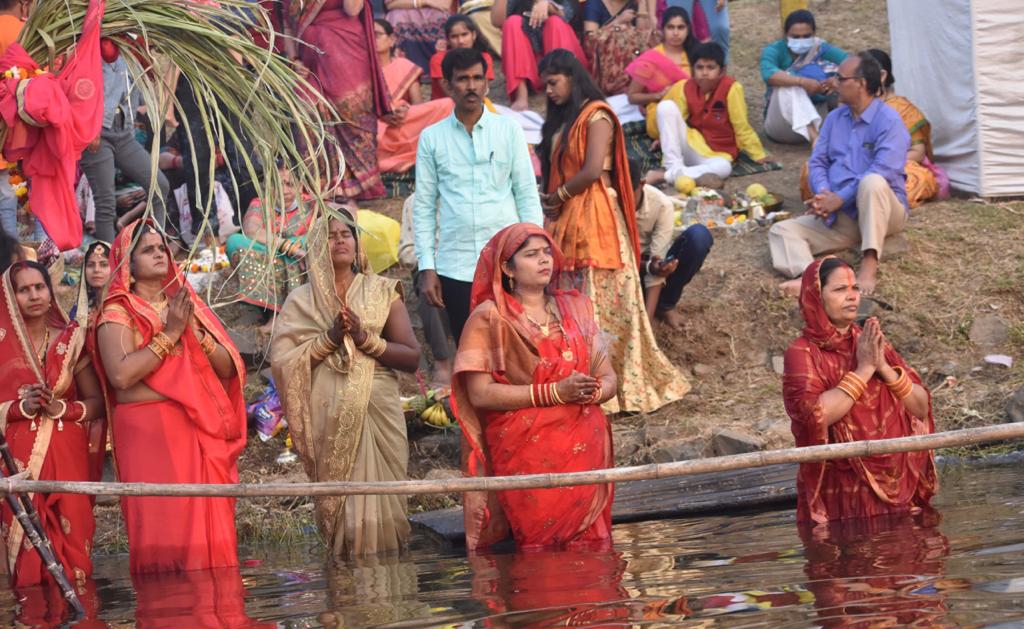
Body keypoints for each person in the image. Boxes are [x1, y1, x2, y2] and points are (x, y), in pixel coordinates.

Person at [537, 50, 689, 413]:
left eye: (554, 82)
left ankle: (617, 385)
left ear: (572, 78)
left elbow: (591, 170)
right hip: (567, 213)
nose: (548, 90)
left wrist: (556, 196)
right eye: (545, 84)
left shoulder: (597, 114)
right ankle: (579, 381)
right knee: (572, 296)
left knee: (602, 298)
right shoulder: (564, 119)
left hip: (595, 212)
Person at [453, 223, 617, 551]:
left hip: (586, 447)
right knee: (541, 552)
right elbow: (480, 393)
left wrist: (591, 392)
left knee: (595, 549)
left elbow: (608, 376)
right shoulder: (489, 318)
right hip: (526, 451)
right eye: (531, 255)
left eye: (546, 253)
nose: (544, 260)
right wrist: (554, 393)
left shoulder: (578, 307)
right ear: (506, 268)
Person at [96, 220, 246, 573]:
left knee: (207, 535)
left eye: (162, 248)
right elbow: (121, 375)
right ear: (127, 265)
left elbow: (228, 369)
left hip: (195, 430)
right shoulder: (117, 311)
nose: (159, 253)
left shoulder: (184, 302)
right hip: (150, 438)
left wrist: (195, 332)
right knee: (166, 532)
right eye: (148, 250)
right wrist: (172, 333)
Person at [271, 212, 421, 556]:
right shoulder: (301, 301)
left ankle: (392, 595)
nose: (340, 240)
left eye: (347, 233)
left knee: (387, 504)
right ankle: (346, 591)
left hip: (378, 409)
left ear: (357, 243)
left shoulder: (383, 291)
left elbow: (411, 357)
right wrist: (330, 339)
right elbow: (284, 364)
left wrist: (363, 337)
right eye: (330, 235)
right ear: (315, 247)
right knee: (344, 517)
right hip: (329, 413)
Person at [782, 256, 937, 523]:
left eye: (854, 288)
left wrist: (884, 369)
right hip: (843, 490)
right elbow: (814, 416)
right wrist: (864, 370)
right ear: (815, 296)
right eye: (840, 290)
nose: (852, 296)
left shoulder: (869, 340)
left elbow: (921, 406)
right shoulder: (802, 352)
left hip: (898, 479)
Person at [413, 48, 542, 344]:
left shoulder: (508, 129)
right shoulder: (431, 138)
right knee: (470, 350)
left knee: (517, 348)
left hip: (508, 261)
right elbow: (423, 206)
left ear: (486, 83)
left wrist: (534, 251)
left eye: (477, 78)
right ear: (447, 85)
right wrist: (427, 268)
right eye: (462, 79)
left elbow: (526, 194)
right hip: (455, 266)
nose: (471, 86)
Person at [770, 52, 910, 297]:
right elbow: (818, 161)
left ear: (862, 83)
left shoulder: (889, 121)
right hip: (841, 216)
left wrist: (840, 197)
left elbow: (884, 170)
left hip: (883, 211)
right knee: (782, 231)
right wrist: (825, 195)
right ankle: (810, 280)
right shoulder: (835, 118)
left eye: (840, 78)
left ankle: (868, 263)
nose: (834, 82)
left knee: (872, 182)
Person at [0, 261, 105, 586]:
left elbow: (97, 403)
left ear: (50, 290)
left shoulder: (71, 340)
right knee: (26, 556)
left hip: (67, 455)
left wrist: (63, 408)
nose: (34, 295)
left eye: (39, 287)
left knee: (74, 555)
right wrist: (19, 408)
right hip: (15, 462)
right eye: (24, 289)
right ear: (8, 297)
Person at [283, 0, 391, 200]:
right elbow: (286, 24)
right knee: (307, 111)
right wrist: (294, 60)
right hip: (306, 58)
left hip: (345, 51)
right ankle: (324, 187)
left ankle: (361, 185)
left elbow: (352, 9)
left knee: (352, 115)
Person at [646, 42, 770, 188]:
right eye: (700, 68)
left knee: (724, 168)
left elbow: (741, 126)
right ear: (692, 70)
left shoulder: (732, 89)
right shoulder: (684, 87)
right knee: (666, 106)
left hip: (718, 154)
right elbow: (674, 119)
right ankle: (673, 167)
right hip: (692, 146)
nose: (704, 73)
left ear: (722, 71)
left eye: (710, 68)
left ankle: (664, 176)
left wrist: (758, 154)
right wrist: (664, 135)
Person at [79, 56, 170, 243]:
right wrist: (90, 126)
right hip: (97, 133)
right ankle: (111, 265)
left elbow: (143, 97)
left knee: (160, 186)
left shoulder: (131, 54)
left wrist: (159, 70)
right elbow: (79, 89)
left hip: (124, 132)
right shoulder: (95, 46)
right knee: (105, 203)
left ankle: (155, 246)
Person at [224, 165, 312, 329]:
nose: (284, 190)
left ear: (300, 186)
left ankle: (278, 315)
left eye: (290, 184)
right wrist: (288, 247)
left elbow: (343, 215)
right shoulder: (260, 203)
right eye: (278, 185)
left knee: (311, 239)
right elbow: (251, 229)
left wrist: (299, 243)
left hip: (301, 258)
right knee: (235, 241)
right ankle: (276, 311)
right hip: (277, 254)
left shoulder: (312, 203)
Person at [629, 158, 712, 329]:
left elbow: (657, 265)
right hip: (620, 267)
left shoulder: (661, 205)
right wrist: (648, 266)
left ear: (642, 184)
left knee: (699, 237)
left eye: (630, 193)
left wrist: (646, 329)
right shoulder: (608, 200)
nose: (626, 201)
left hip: (646, 264)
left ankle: (664, 305)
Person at [867, 49, 945, 208]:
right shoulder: (853, 107)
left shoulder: (903, 109)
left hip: (897, 164)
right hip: (859, 163)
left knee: (915, 180)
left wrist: (885, 162)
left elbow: (918, 152)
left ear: (882, 75)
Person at [759, 9, 847, 144]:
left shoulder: (819, 48)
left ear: (814, 34)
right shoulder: (774, 50)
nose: (801, 40)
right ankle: (816, 141)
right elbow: (768, 74)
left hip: (818, 119)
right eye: (795, 37)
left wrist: (837, 80)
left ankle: (849, 132)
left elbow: (853, 64)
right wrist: (802, 82)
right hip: (782, 125)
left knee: (850, 81)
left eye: (806, 36)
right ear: (785, 34)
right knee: (788, 82)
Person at [492, 0, 589, 111]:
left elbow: (570, 14)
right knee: (512, 23)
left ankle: (566, 89)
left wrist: (547, 5)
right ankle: (521, 95)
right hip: (530, 66)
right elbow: (497, 21)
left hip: (562, 55)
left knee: (555, 22)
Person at [398, 194, 453, 386]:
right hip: (431, 268)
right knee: (428, 287)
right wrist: (434, 261)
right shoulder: (414, 201)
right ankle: (442, 363)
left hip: (467, 267)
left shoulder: (474, 195)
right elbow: (406, 253)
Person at [625, 7, 696, 113]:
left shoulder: (695, 54)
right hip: (660, 112)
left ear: (688, 30)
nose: (676, 33)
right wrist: (658, 95)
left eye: (681, 28)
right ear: (662, 30)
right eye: (670, 27)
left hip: (693, 111)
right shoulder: (650, 59)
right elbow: (632, 97)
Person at [581, 0, 657, 96]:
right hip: (604, 66)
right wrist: (617, 22)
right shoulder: (595, 3)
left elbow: (642, 38)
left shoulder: (633, 4)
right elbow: (590, 41)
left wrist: (642, 4)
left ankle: (635, 90)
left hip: (632, 62)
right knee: (619, 32)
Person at [428, 15, 495, 99]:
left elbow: (482, 89)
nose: (461, 41)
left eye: (464, 34)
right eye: (454, 36)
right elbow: (450, 93)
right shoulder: (438, 60)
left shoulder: (484, 58)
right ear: (448, 40)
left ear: (473, 35)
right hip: (444, 106)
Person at [384, 0, 452, 73]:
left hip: (433, 16)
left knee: (440, 16)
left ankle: (438, 71)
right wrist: (425, 2)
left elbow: (444, 4)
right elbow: (390, 4)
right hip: (405, 14)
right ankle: (401, 73)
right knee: (395, 15)